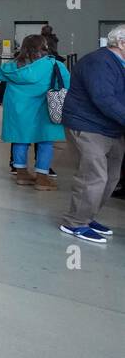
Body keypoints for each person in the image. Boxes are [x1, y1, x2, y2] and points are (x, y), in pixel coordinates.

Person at [59, 25, 125, 242]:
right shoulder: (99, 62)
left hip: (112, 128)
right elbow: (104, 99)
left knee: (112, 177)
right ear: (121, 43)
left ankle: (87, 216)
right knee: (94, 176)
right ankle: (75, 222)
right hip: (87, 126)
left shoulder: (120, 64)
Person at [0, 35, 67, 191]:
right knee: (46, 142)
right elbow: (67, 84)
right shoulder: (55, 65)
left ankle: (21, 174)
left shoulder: (13, 67)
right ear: (44, 47)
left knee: (20, 140)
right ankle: (42, 178)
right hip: (45, 110)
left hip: (19, 111)